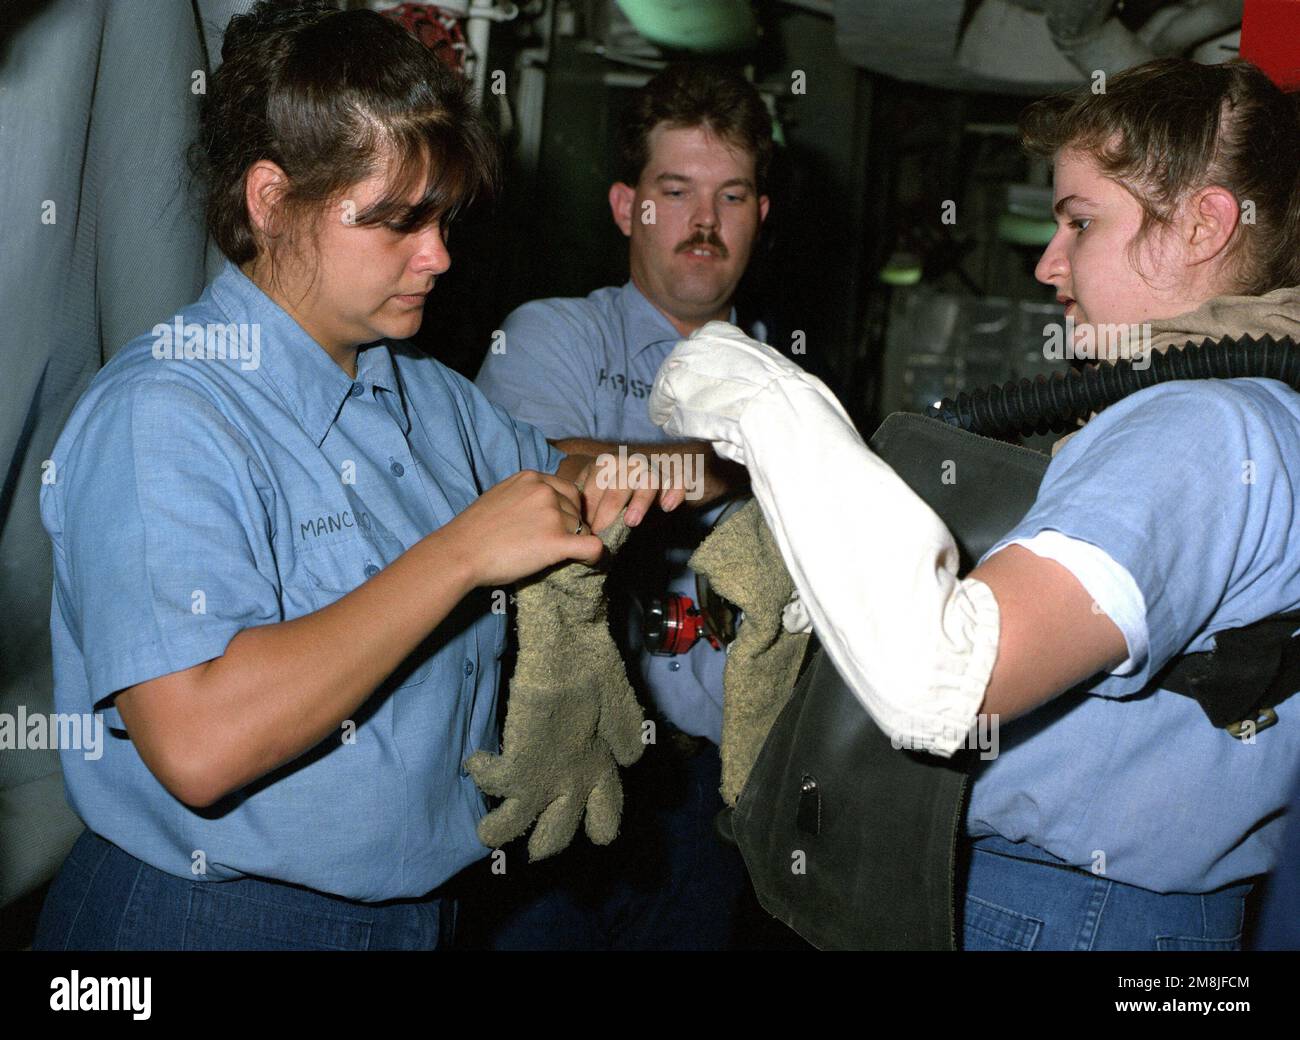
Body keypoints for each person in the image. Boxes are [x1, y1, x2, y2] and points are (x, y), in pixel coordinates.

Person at [31, 0, 671, 952]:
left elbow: (562, 472)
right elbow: (199, 744)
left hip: (417, 919)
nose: (439, 255)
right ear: (269, 198)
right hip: (206, 920)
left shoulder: (424, 393)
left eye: (444, 219)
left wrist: (738, 460)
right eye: (397, 222)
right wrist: (459, 555)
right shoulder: (162, 413)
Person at [648, 57, 1300, 950]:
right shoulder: (1262, 408)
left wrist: (769, 408)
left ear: (1203, 226)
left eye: (1080, 222)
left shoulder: (1198, 425)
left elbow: (943, 685)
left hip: (1072, 914)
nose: (1048, 262)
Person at [468, 63, 777, 949]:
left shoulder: (793, 388)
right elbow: (548, 472)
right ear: (624, 207)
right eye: (674, 191)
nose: (704, 222)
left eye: (733, 194)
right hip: (565, 764)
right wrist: (736, 466)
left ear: (762, 214)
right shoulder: (555, 335)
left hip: (713, 792)